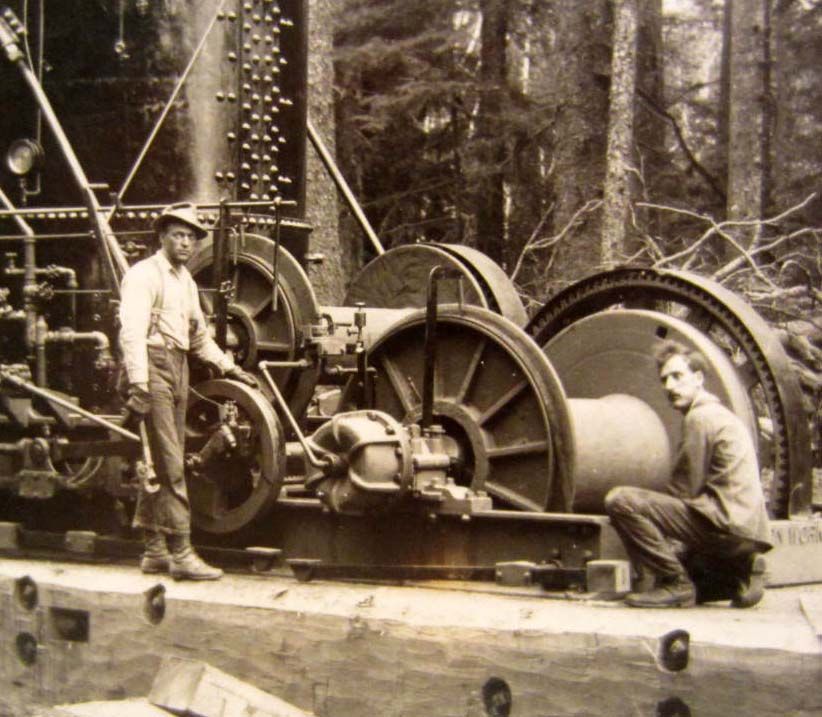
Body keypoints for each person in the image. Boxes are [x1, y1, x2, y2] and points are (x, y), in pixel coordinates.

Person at [119, 202, 259, 580]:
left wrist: (232, 369)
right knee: (169, 462)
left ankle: (153, 551)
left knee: (159, 460)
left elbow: (198, 339)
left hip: (177, 365)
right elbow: (131, 332)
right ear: (162, 236)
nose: (185, 243)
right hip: (151, 367)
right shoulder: (143, 275)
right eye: (177, 234)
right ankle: (180, 551)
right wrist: (139, 383)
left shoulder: (186, 282)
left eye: (191, 237)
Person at [604, 340, 772, 608]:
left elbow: (683, 491)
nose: (670, 386)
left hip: (724, 527)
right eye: (665, 380)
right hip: (748, 534)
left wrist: (653, 532)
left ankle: (675, 584)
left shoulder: (700, 418)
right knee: (694, 577)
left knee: (620, 500)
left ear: (698, 378)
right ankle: (740, 574)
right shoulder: (722, 415)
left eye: (677, 376)